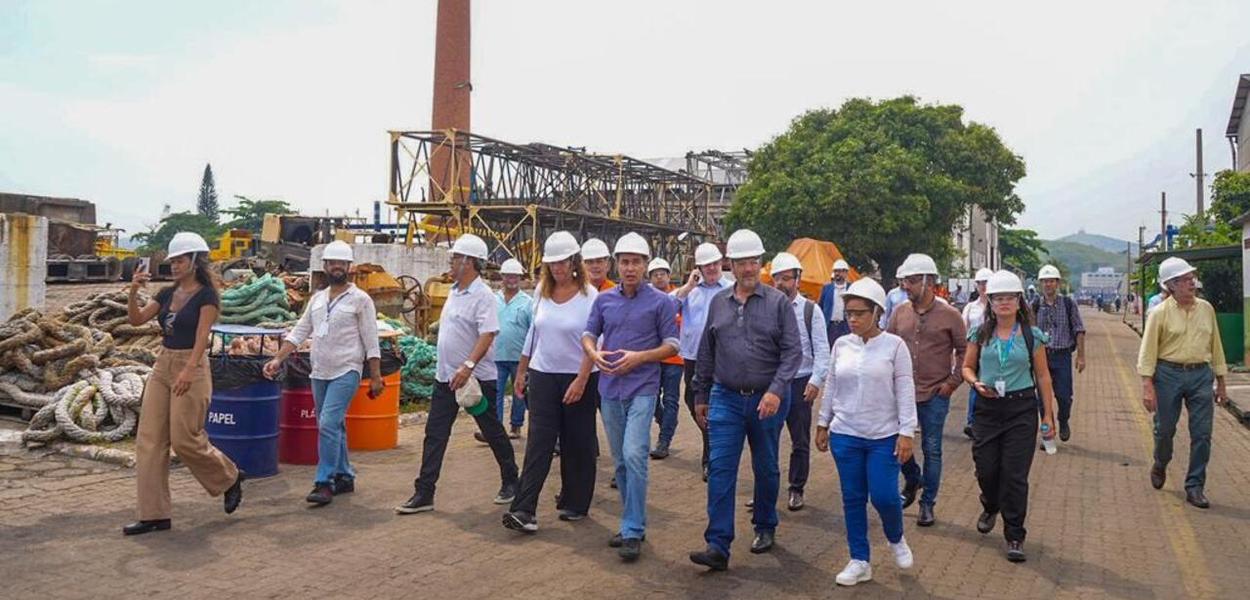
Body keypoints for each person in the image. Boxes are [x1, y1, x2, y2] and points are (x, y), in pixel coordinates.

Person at [688, 229, 801, 572]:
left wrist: (775, 390)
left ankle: (765, 526)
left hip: (767, 399)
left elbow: (793, 352)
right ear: (730, 266)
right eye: (741, 262)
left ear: (761, 264)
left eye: (754, 261)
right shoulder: (718, 304)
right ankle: (718, 544)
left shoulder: (778, 303)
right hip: (725, 397)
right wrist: (701, 393)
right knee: (721, 468)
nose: (749, 268)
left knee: (765, 467)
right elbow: (706, 352)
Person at [123, 232, 244, 535]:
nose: (174, 266)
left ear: (194, 261)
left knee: (184, 438)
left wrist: (189, 371)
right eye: (172, 261)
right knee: (149, 439)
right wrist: (133, 291)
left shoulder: (207, 297)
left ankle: (229, 477)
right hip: (164, 363)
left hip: (192, 365)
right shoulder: (165, 294)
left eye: (179, 260)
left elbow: (203, 337)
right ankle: (154, 515)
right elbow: (137, 321)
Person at [397, 234, 520, 514]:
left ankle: (512, 480)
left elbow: (488, 333)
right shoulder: (453, 291)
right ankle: (424, 492)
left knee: (491, 430)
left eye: (455, 257)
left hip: (475, 381)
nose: (451, 262)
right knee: (435, 434)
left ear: (468, 262)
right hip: (446, 380)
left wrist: (467, 366)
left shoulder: (484, 296)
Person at [580, 232, 679, 562]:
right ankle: (630, 521)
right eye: (624, 262)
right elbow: (588, 334)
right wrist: (593, 354)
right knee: (621, 460)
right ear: (616, 265)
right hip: (609, 389)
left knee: (635, 454)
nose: (630, 268)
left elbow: (673, 345)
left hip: (643, 388)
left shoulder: (661, 302)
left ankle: (633, 528)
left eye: (636, 262)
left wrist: (639, 357)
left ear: (646, 265)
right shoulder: (604, 300)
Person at [815, 277, 917, 586]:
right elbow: (832, 383)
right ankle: (859, 559)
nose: (853, 319)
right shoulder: (841, 345)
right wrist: (822, 422)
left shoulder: (894, 346)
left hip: (883, 436)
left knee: (885, 497)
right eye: (849, 313)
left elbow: (905, 388)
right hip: (845, 434)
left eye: (860, 313)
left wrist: (907, 431)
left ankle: (896, 537)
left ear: (877, 313)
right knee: (853, 497)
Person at [264, 241, 382, 505]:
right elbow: (300, 331)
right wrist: (277, 359)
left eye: (342, 263)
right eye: (332, 262)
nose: (337, 267)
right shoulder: (317, 299)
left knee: (327, 423)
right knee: (333, 425)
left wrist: (375, 376)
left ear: (349, 267)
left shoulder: (361, 300)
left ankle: (324, 481)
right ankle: (344, 475)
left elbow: (371, 339)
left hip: (347, 368)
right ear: (325, 266)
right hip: (319, 371)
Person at [502, 232, 599, 532]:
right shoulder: (542, 291)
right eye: (552, 263)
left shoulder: (590, 297)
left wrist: (582, 379)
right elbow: (534, 333)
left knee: (577, 441)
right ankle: (524, 509)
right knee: (539, 441)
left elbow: (596, 340)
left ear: (574, 262)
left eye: (562, 262)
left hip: (579, 376)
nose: (557, 268)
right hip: (543, 374)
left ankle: (575, 501)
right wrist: (522, 370)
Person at [962, 270, 1057, 563]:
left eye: (1009, 298)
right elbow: (967, 367)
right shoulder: (980, 333)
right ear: (989, 301)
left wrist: (1049, 417)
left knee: (1015, 476)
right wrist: (975, 382)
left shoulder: (1032, 336)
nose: (1004, 303)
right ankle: (990, 504)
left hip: (1021, 409)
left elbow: (1043, 377)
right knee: (986, 469)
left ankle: (1015, 534)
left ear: (1019, 301)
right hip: (987, 409)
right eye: (998, 298)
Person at [1138, 257, 1229, 509]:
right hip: (1168, 374)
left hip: (1201, 375)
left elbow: (1216, 346)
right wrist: (1148, 385)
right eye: (1187, 279)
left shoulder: (1206, 309)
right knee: (1165, 430)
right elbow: (1148, 352)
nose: (1193, 282)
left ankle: (1195, 486)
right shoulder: (1159, 313)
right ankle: (1160, 461)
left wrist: (1221, 381)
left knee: (1202, 434)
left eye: (1192, 278)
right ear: (1172, 285)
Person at [887, 253, 966, 527]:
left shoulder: (950, 315)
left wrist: (952, 383)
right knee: (895, 445)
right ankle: (913, 478)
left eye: (910, 281)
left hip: (935, 394)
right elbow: (887, 347)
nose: (905, 286)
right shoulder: (899, 313)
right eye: (903, 281)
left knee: (932, 448)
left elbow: (965, 350)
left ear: (928, 281)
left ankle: (927, 503)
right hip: (902, 393)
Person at [769, 252, 830, 511]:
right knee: (766, 440)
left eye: (786, 278)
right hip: (772, 384)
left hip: (800, 382)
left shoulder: (810, 310)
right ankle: (766, 489)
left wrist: (816, 381)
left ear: (797, 279)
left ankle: (796, 488)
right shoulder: (766, 307)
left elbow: (822, 350)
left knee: (799, 440)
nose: (782, 284)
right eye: (777, 279)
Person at [673, 242, 732, 480]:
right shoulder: (690, 292)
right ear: (698, 268)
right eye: (707, 265)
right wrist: (688, 286)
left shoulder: (730, 288)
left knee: (713, 406)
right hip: (694, 358)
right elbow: (668, 306)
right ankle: (714, 439)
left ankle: (711, 458)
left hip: (721, 358)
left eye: (716, 263)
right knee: (692, 400)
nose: (712, 268)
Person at [1031, 265, 1086, 442]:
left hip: (1062, 356)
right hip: (1041, 357)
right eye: (1045, 281)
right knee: (1042, 400)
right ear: (1040, 284)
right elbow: (1028, 331)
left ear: (1058, 283)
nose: (1048, 285)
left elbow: (1079, 329)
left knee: (1064, 396)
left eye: (1051, 281)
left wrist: (1081, 356)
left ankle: (1063, 420)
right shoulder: (1035, 305)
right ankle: (1048, 434)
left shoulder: (1069, 304)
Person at [489, 258, 532, 439]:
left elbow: (532, 330)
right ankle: (496, 429)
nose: (512, 279)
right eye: (508, 276)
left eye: (515, 276)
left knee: (519, 393)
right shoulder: (493, 299)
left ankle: (516, 426)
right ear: (502, 277)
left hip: (519, 357)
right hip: (496, 355)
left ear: (520, 278)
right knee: (495, 393)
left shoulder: (527, 302)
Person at [647, 257, 684, 459]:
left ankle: (664, 441)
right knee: (650, 399)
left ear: (669, 276)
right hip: (652, 357)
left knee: (671, 399)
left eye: (662, 273)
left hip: (674, 360)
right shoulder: (647, 299)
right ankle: (667, 421)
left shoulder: (680, 297)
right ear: (650, 278)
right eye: (655, 274)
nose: (659, 277)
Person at [961, 268, 994, 439]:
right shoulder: (970, 308)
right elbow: (963, 329)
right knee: (975, 384)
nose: (984, 287)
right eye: (981, 283)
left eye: (986, 283)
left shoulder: (997, 307)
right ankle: (972, 421)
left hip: (992, 350)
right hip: (974, 350)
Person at [818, 258, 853, 345]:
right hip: (830, 326)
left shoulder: (851, 288)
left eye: (840, 271)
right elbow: (820, 307)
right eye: (835, 271)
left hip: (845, 326)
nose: (837, 274)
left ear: (845, 273)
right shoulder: (827, 288)